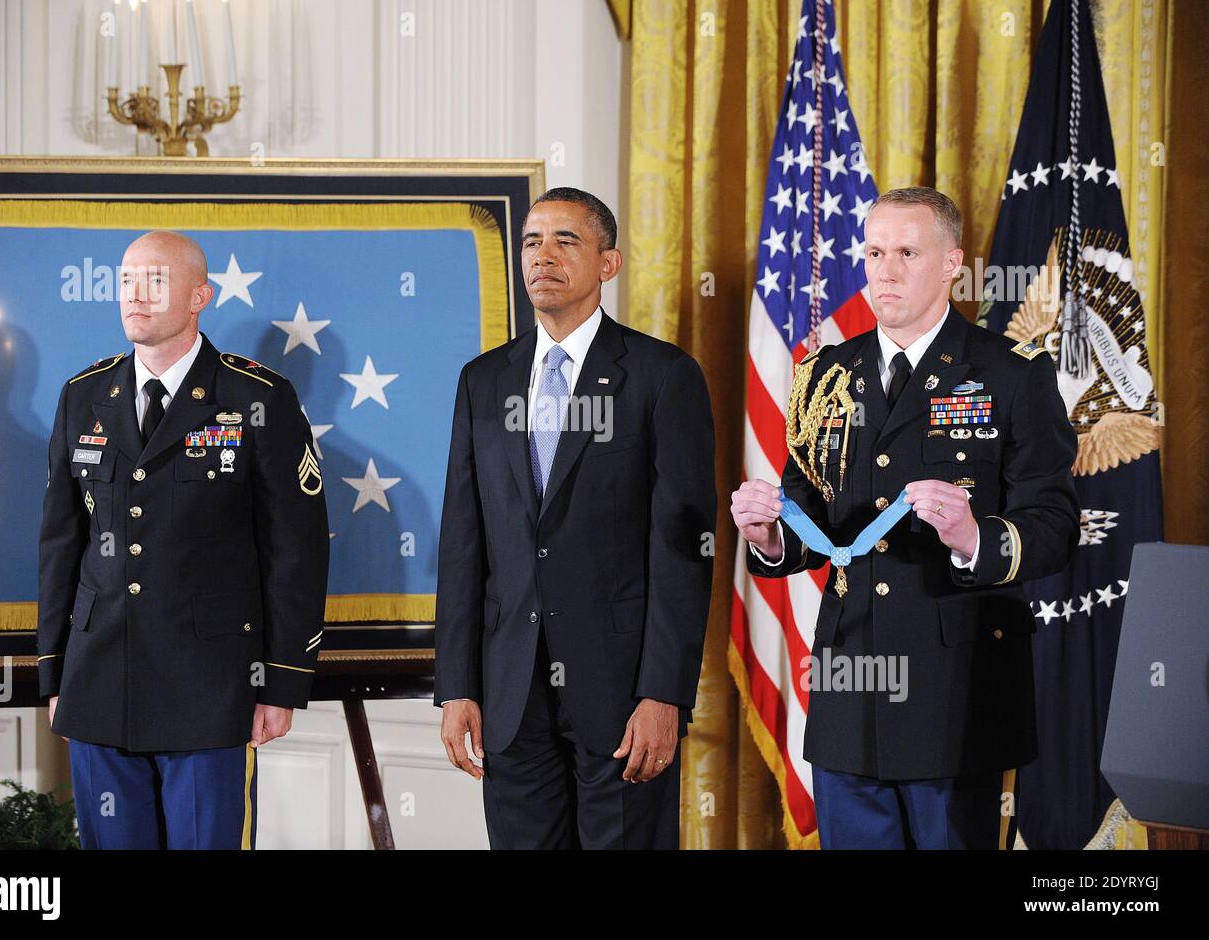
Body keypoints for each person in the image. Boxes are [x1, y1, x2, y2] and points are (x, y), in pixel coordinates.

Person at [730, 187, 1080, 849]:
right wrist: (772, 533)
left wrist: (974, 536)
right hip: (848, 690)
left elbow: (1056, 525)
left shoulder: (1011, 377)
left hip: (955, 697)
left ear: (952, 262)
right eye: (874, 252)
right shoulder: (826, 374)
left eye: (908, 253)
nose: (885, 271)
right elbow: (810, 502)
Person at [434, 187, 716, 849]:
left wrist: (663, 693)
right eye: (532, 240)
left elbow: (682, 549)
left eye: (567, 240)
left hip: (622, 695)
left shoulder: (661, 375)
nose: (543, 254)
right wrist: (457, 686)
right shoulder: (483, 380)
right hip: (509, 694)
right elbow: (462, 542)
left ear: (609, 263)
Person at [37, 230, 329, 849]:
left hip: (212, 688)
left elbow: (296, 552)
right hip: (99, 683)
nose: (133, 297)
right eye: (124, 281)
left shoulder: (257, 398)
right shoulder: (82, 395)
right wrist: (55, 670)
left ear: (201, 295)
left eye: (155, 282)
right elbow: (61, 542)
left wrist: (281, 681)